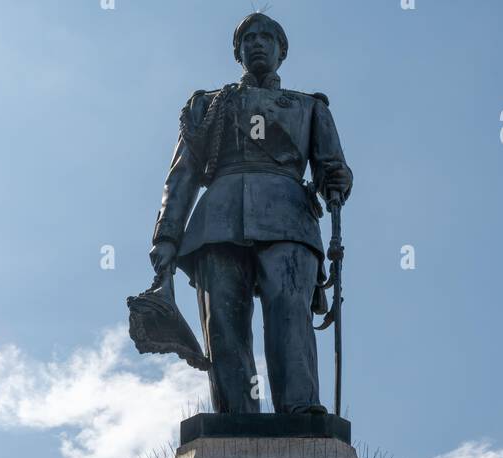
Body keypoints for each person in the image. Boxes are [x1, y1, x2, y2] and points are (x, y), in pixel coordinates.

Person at [150, 13, 353, 415]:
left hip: (288, 217)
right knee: (224, 325)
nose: (257, 43)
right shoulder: (206, 105)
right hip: (218, 219)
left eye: (267, 37)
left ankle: (299, 408)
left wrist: (337, 180)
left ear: (282, 50)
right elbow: (183, 174)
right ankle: (237, 414)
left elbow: (333, 167)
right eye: (249, 38)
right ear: (238, 52)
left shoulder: (310, 108)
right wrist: (167, 236)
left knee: (289, 314)